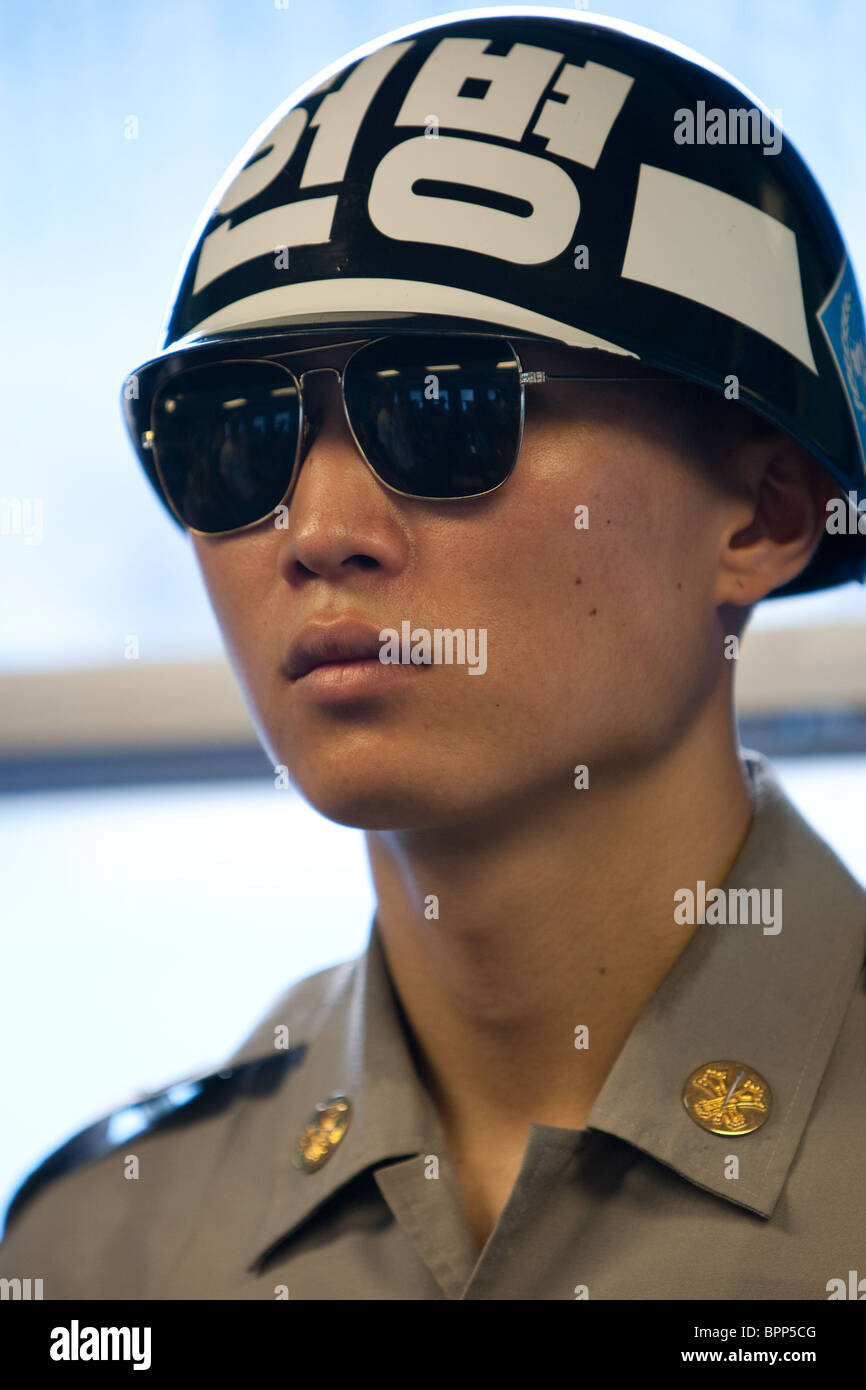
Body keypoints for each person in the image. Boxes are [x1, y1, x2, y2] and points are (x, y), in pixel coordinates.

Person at [2, 6, 865, 1301]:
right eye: (231, 436)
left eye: (448, 406)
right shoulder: (103, 1254)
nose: (316, 532)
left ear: (765, 513)